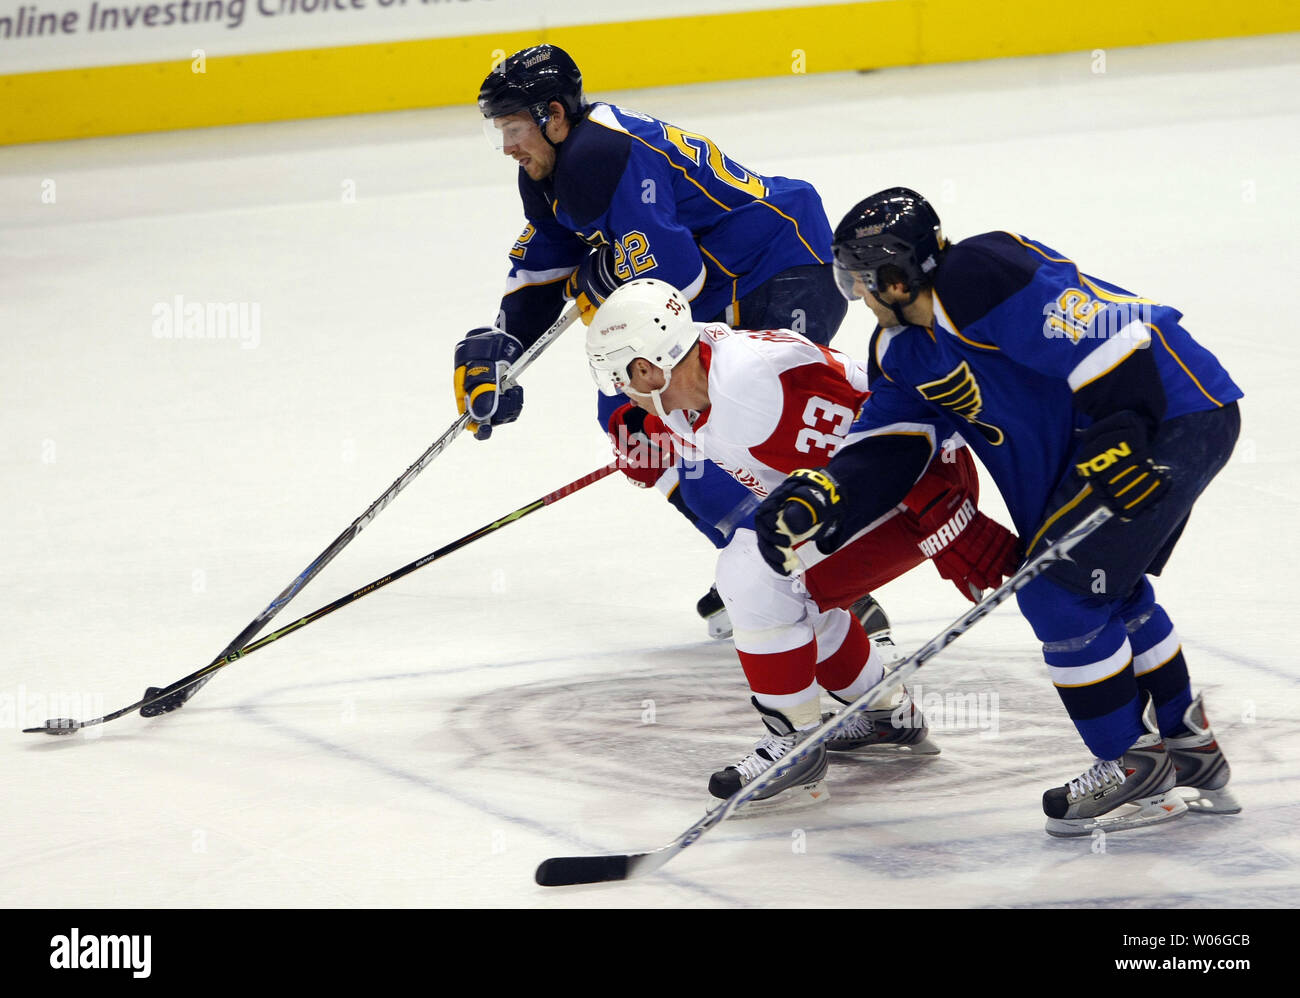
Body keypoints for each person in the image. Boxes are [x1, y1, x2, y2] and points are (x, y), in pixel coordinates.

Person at [754, 188, 1243, 835]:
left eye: (858, 280)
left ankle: (1135, 764)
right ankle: (1188, 745)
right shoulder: (898, 351)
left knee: (1057, 594)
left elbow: (1109, 333)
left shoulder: (982, 274)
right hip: (1114, 443)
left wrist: (1123, 433)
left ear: (892, 276)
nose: (857, 297)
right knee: (1106, 591)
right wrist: (825, 493)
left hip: (1169, 415)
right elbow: (889, 449)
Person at [452, 44, 853, 637]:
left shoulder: (602, 153)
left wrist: (605, 277)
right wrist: (502, 349)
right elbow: (543, 272)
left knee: (753, 419)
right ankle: (759, 553)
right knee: (631, 415)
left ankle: (829, 580)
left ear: (554, 116)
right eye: (499, 131)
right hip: (728, 282)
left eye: (513, 128)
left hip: (780, 265)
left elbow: (676, 274)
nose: (507, 145)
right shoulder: (548, 170)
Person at [586, 278, 1021, 808]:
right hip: (864, 485)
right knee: (784, 587)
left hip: (920, 481)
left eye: (617, 375)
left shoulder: (753, 391)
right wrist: (656, 441)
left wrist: (939, 513)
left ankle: (792, 744)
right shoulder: (692, 372)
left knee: (753, 575)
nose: (618, 389)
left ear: (647, 367)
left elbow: (881, 451)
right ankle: (884, 715)